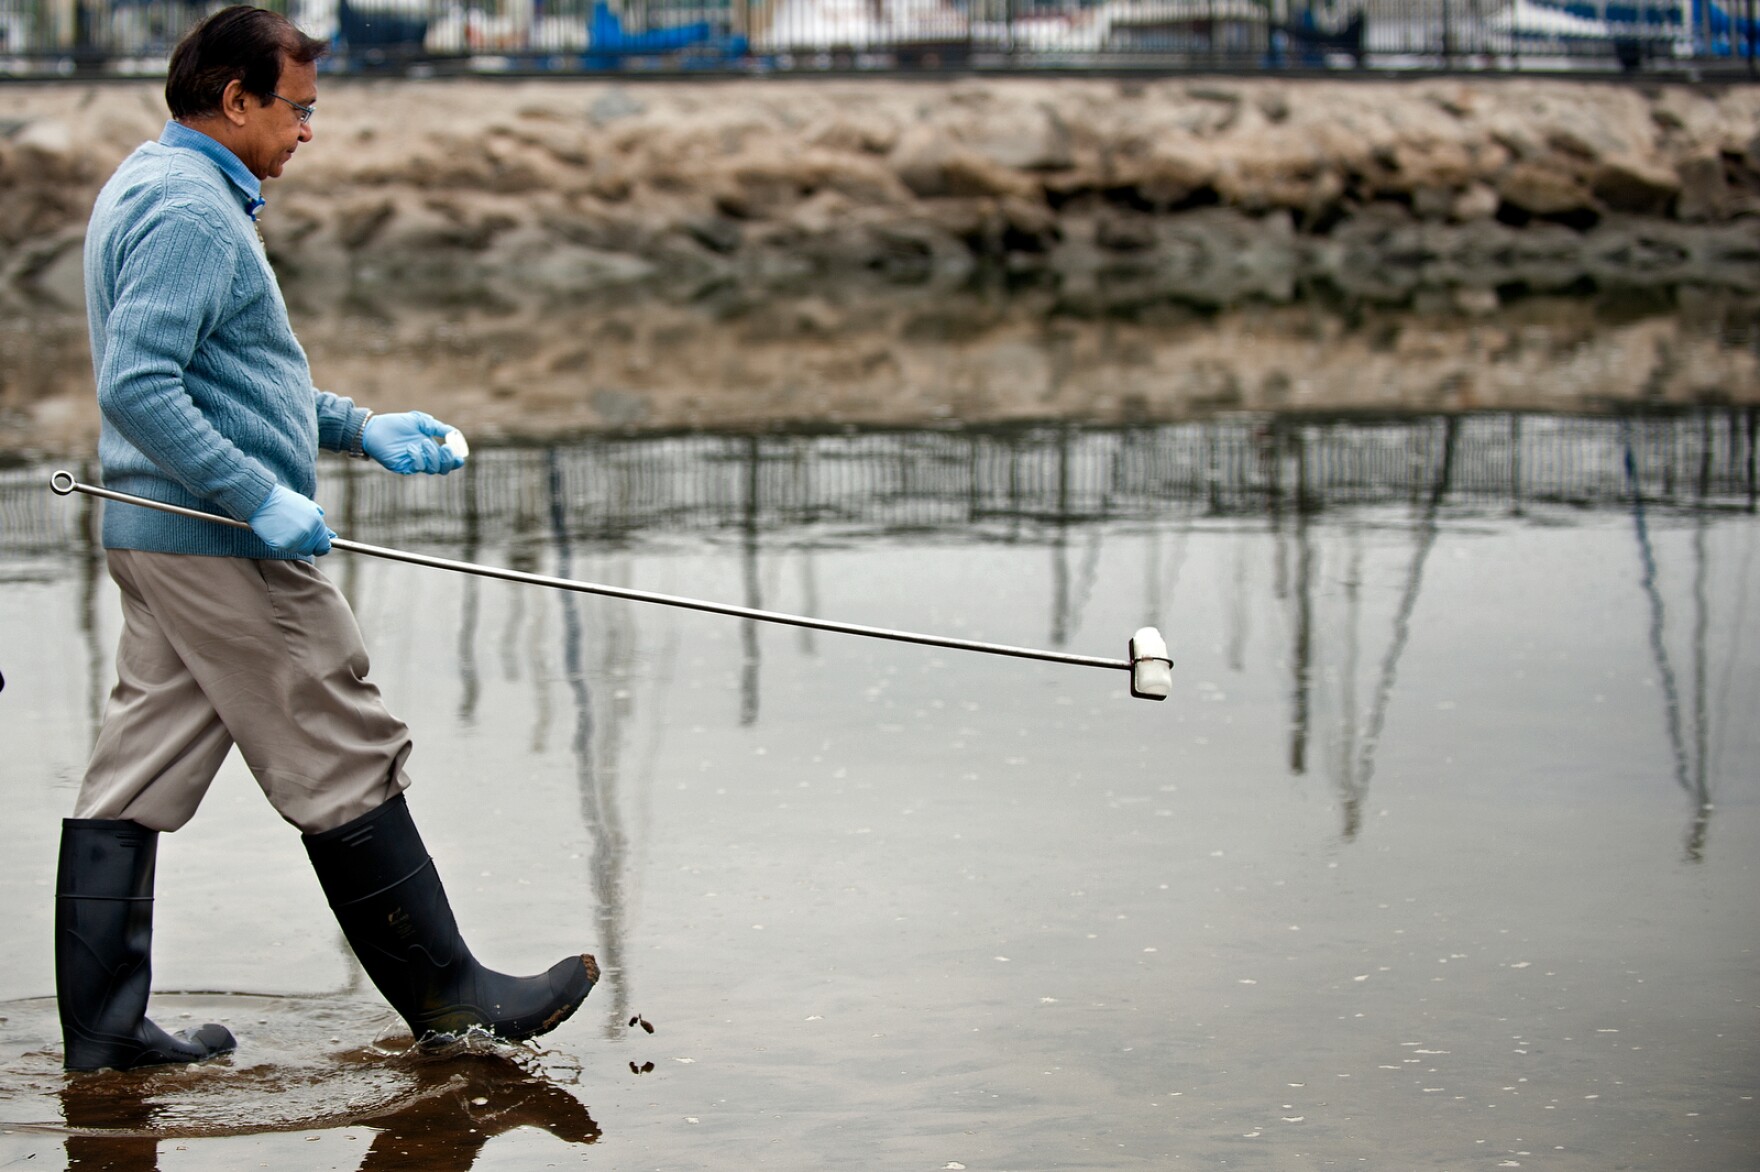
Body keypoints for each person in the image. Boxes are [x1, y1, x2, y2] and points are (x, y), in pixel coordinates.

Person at [59, 5, 598, 1073]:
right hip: (216, 541)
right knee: (341, 740)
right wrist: (256, 494)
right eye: (297, 108)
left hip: (159, 530)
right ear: (235, 99)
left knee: (134, 771)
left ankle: (105, 1036)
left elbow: (233, 377)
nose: (308, 129)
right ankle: (456, 1000)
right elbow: (138, 382)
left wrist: (357, 429)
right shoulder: (193, 212)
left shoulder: (151, 180)